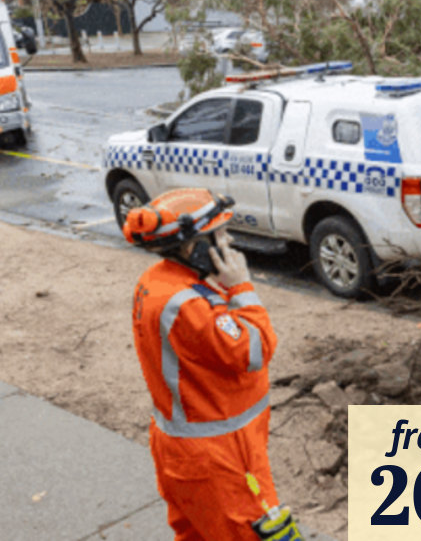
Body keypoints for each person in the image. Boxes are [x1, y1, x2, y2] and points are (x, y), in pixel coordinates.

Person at [124, 188, 303, 540]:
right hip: (221, 455)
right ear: (195, 248)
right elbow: (254, 350)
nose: (230, 240)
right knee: (260, 533)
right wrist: (242, 288)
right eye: (220, 234)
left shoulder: (158, 283)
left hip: (184, 451)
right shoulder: (188, 305)